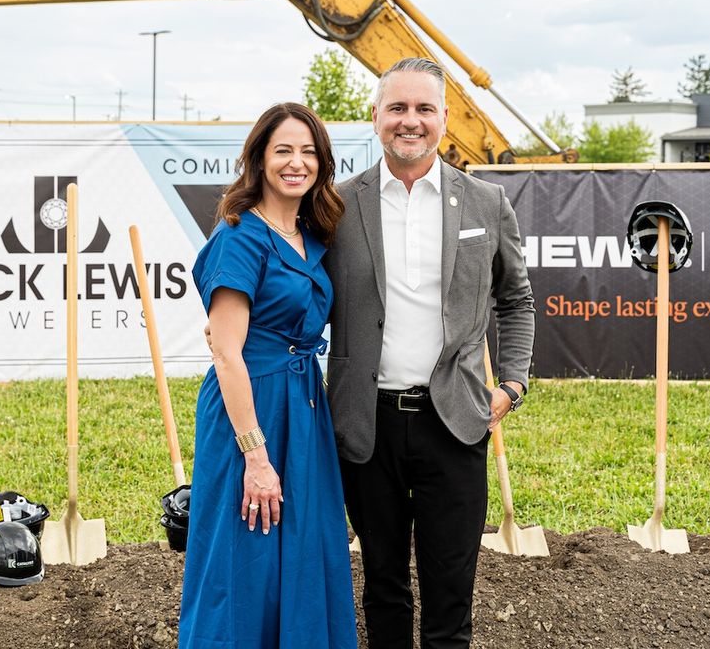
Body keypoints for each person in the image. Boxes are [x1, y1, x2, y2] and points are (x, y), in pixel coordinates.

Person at [324, 57, 535, 649]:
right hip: (367, 428)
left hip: (456, 423)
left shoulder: (486, 202)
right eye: (397, 108)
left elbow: (516, 300)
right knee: (383, 587)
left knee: (451, 593)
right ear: (375, 118)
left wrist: (512, 384)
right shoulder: (338, 205)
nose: (409, 121)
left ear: (445, 118)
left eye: (423, 109)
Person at [179, 102, 357, 649]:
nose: (296, 162)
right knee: (243, 555)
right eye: (283, 150)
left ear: (322, 164)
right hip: (249, 414)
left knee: (307, 546)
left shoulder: (314, 235)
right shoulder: (240, 236)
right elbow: (226, 353)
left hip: (304, 409)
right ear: (259, 158)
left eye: (308, 152)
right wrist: (255, 457)